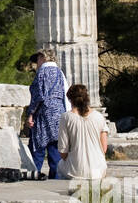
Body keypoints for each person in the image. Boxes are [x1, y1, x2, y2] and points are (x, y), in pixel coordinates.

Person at [26, 48, 67, 177]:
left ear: (43, 58)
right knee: (55, 148)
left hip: (44, 113)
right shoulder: (60, 73)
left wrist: (31, 114)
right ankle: (56, 177)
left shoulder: (42, 72)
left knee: (38, 147)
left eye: (37, 59)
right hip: (59, 112)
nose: (36, 63)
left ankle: (34, 174)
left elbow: (38, 96)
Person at [57, 83, 108, 180]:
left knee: (59, 165)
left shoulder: (66, 117)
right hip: (98, 170)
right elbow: (104, 149)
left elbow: (63, 152)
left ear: (70, 100)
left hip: (76, 172)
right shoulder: (99, 116)